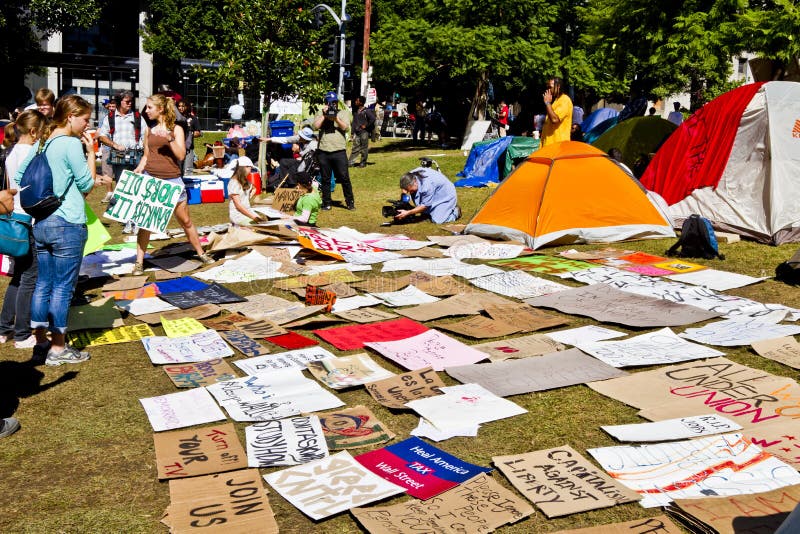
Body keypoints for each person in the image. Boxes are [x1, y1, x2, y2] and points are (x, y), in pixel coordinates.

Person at [13, 95, 108, 366]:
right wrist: (90, 152)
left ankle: (41, 341)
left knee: (43, 283)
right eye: (85, 119)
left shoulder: (43, 140)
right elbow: (86, 185)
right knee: (63, 288)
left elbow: (20, 176)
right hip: (67, 222)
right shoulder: (69, 144)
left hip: (41, 221)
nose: (86, 125)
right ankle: (58, 348)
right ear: (71, 116)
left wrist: (48, 186)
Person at [132, 94, 213, 274]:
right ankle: (139, 262)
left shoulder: (176, 129)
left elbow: (181, 156)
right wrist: (139, 168)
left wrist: (169, 138)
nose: (146, 111)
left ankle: (201, 253)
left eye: (149, 108)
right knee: (146, 223)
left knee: (185, 220)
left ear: (160, 109)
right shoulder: (149, 130)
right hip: (151, 180)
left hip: (172, 181)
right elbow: (146, 155)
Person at [0, 110, 47, 351]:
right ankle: (22, 334)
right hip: (27, 219)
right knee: (30, 277)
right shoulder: (32, 153)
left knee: (19, 276)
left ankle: (4, 327)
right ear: (34, 131)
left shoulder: (11, 152)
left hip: (13, 217)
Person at [312, 91, 355, 211]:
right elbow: (315, 126)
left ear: (337, 103)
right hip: (324, 151)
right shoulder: (320, 113)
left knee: (344, 177)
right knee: (325, 178)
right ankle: (327, 202)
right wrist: (324, 116)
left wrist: (335, 117)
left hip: (339, 151)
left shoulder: (343, 113)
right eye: (330, 103)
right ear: (326, 103)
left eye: (334, 103)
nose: (332, 105)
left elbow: (345, 127)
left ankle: (350, 202)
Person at [97, 91, 146, 187]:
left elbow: (145, 136)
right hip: (119, 157)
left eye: (131, 101)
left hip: (137, 157)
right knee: (121, 185)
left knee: (137, 185)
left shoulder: (137, 117)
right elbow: (102, 136)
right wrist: (115, 145)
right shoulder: (110, 118)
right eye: (127, 101)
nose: (130, 103)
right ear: (119, 102)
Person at [396, 166, 460, 224]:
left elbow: (425, 205)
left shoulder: (426, 185)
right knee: (422, 208)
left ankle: (455, 211)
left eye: (410, 190)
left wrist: (408, 212)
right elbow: (405, 187)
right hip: (434, 190)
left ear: (415, 181)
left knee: (438, 220)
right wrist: (404, 194)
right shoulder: (410, 175)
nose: (409, 192)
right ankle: (428, 212)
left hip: (446, 194)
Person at [226, 156, 262, 226]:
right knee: (256, 227)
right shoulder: (234, 183)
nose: (250, 171)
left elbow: (254, 188)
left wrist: (248, 196)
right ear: (244, 168)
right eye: (249, 168)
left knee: (263, 224)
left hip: (248, 211)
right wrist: (253, 217)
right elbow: (238, 206)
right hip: (238, 214)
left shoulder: (246, 181)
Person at [541, 77, 573, 147]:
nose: (548, 89)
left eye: (550, 87)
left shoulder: (565, 100)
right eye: (547, 87)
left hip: (558, 147)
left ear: (558, 86)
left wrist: (547, 103)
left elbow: (555, 119)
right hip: (549, 147)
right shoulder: (555, 101)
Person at [349, 95, 376, 167]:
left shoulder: (367, 111)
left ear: (360, 102)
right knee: (355, 147)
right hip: (357, 132)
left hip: (364, 132)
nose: (355, 102)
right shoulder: (356, 111)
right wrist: (352, 132)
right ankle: (350, 163)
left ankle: (363, 163)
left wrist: (366, 126)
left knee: (364, 148)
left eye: (357, 101)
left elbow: (373, 119)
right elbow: (354, 123)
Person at [177, 100, 202, 176]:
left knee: (188, 170)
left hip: (188, 148)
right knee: (177, 170)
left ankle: (188, 187)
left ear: (187, 107)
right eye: (179, 106)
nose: (180, 108)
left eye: (183, 106)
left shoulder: (193, 119)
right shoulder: (175, 119)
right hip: (177, 147)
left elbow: (198, 132)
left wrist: (189, 133)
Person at [99, 99, 117, 203]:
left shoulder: (121, 118)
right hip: (107, 148)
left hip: (119, 149)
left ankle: (118, 195)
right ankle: (109, 193)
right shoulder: (105, 118)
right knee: (106, 172)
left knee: (120, 173)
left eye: (113, 107)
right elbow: (100, 132)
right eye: (109, 106)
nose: (110, 108)